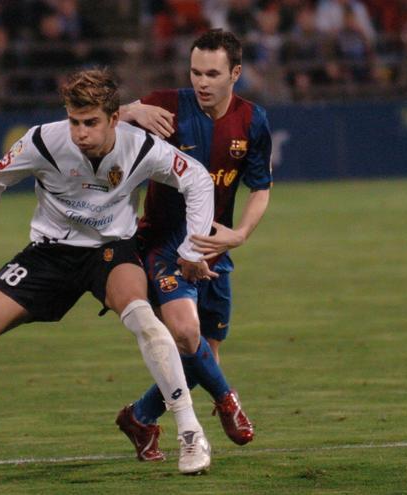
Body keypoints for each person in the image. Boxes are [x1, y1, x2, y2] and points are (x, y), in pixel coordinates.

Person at [0, 68, 217, 476]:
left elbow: (197, 178)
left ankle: (190, 431)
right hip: (49, 255)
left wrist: (192, 246)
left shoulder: (141, 148)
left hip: (110, 252)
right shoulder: (43, 140)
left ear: (115, 119)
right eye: (74, 121)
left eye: (91, 122)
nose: (80, 132)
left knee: (145, 320)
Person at [114, 28, 273, 461]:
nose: (202, 82)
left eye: (212, 73)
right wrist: (130, 111)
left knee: (203, 359)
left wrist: (239, 234)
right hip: (163, 244)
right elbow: (92, 116)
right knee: (187, 334)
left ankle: (140, 416)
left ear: (235, 73)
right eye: (195, 72)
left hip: (213, 247)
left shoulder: (252, 121)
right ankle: (228, 403)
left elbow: (261, 188)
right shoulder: (164, 105)